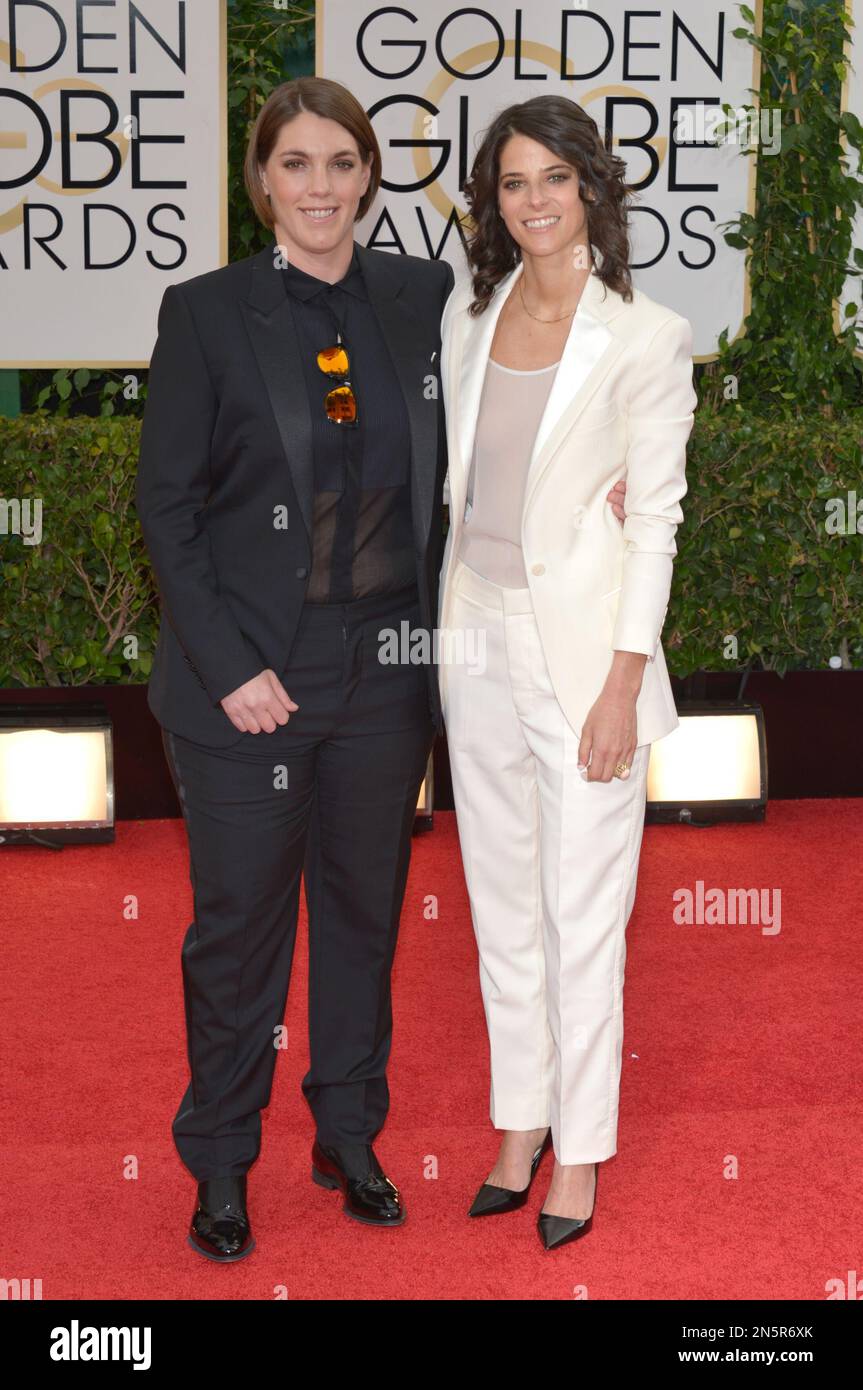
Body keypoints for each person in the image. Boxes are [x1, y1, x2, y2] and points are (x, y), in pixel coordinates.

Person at [136, 76, 453, 1261]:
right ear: (261, 181)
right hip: (249, 686)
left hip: (387, 669)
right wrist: (229, 668)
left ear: (368, 175)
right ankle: (221, 1161)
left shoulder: (422, 298)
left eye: (340, 162)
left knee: (365, 916)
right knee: (239, 931)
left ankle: (347, 1132)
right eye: (295, 164)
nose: (319, 186)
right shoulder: (207, 312)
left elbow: (495, 430)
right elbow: (165, 508)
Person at [437, 95, 698, 1250]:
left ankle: (579, 1150)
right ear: (489, 202)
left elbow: (657, 520)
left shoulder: (644, 336)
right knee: (498, 902)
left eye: (554, 177)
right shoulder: (470, 310)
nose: (533, 200)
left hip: (584, 660)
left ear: (592, 187)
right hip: (472, 639)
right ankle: (515, 1122)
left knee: (582, 913)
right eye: (510, 182)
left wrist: (618, 682)